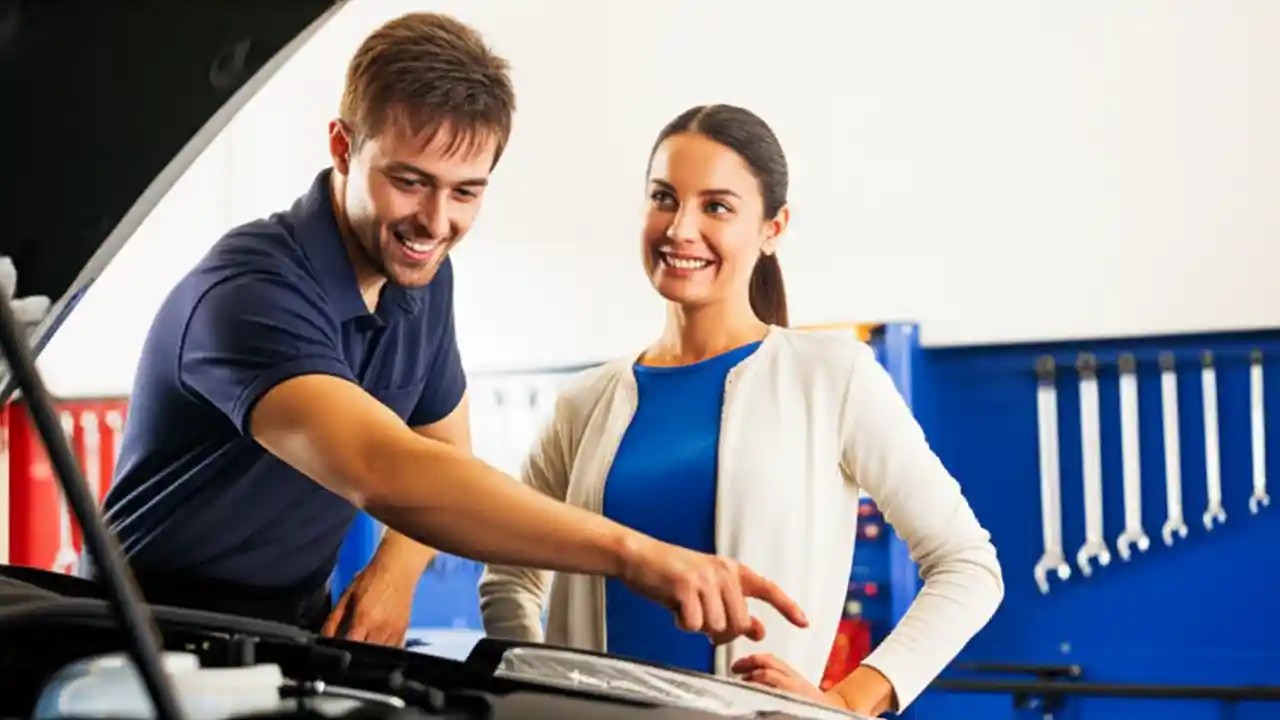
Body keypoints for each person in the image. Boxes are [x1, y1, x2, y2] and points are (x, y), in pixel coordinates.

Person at [87, 14, 807, 651]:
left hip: (290, 623)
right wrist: (635, 555)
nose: (436, 222)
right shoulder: (251, 292)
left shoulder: (421, 279)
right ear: (343, 147)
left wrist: (397, 571)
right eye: (411, 181)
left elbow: (442, 446)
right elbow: (383, 467)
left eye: (466, 191)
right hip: (143, 629)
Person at [477, 104, 1004, 716]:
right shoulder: (584, 402)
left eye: (717, 206)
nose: (680, 228)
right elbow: (510, 571)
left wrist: (847, 702)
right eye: (664, 198)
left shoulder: (834, 376)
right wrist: (541, 690)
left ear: (772, 229)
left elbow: (968, 566)